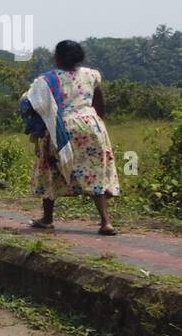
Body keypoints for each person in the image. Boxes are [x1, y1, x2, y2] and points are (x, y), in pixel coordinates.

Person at [22, 40, 120, 235]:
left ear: (57, 57)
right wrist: (97, 125)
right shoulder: (91, 75)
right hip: (91, 126)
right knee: (94, 172)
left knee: (52, 169)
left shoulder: (47, 79)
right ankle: (106, 222)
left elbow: (30, 102)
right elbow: (99, 103)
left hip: (63, 126)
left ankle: (47, 219)